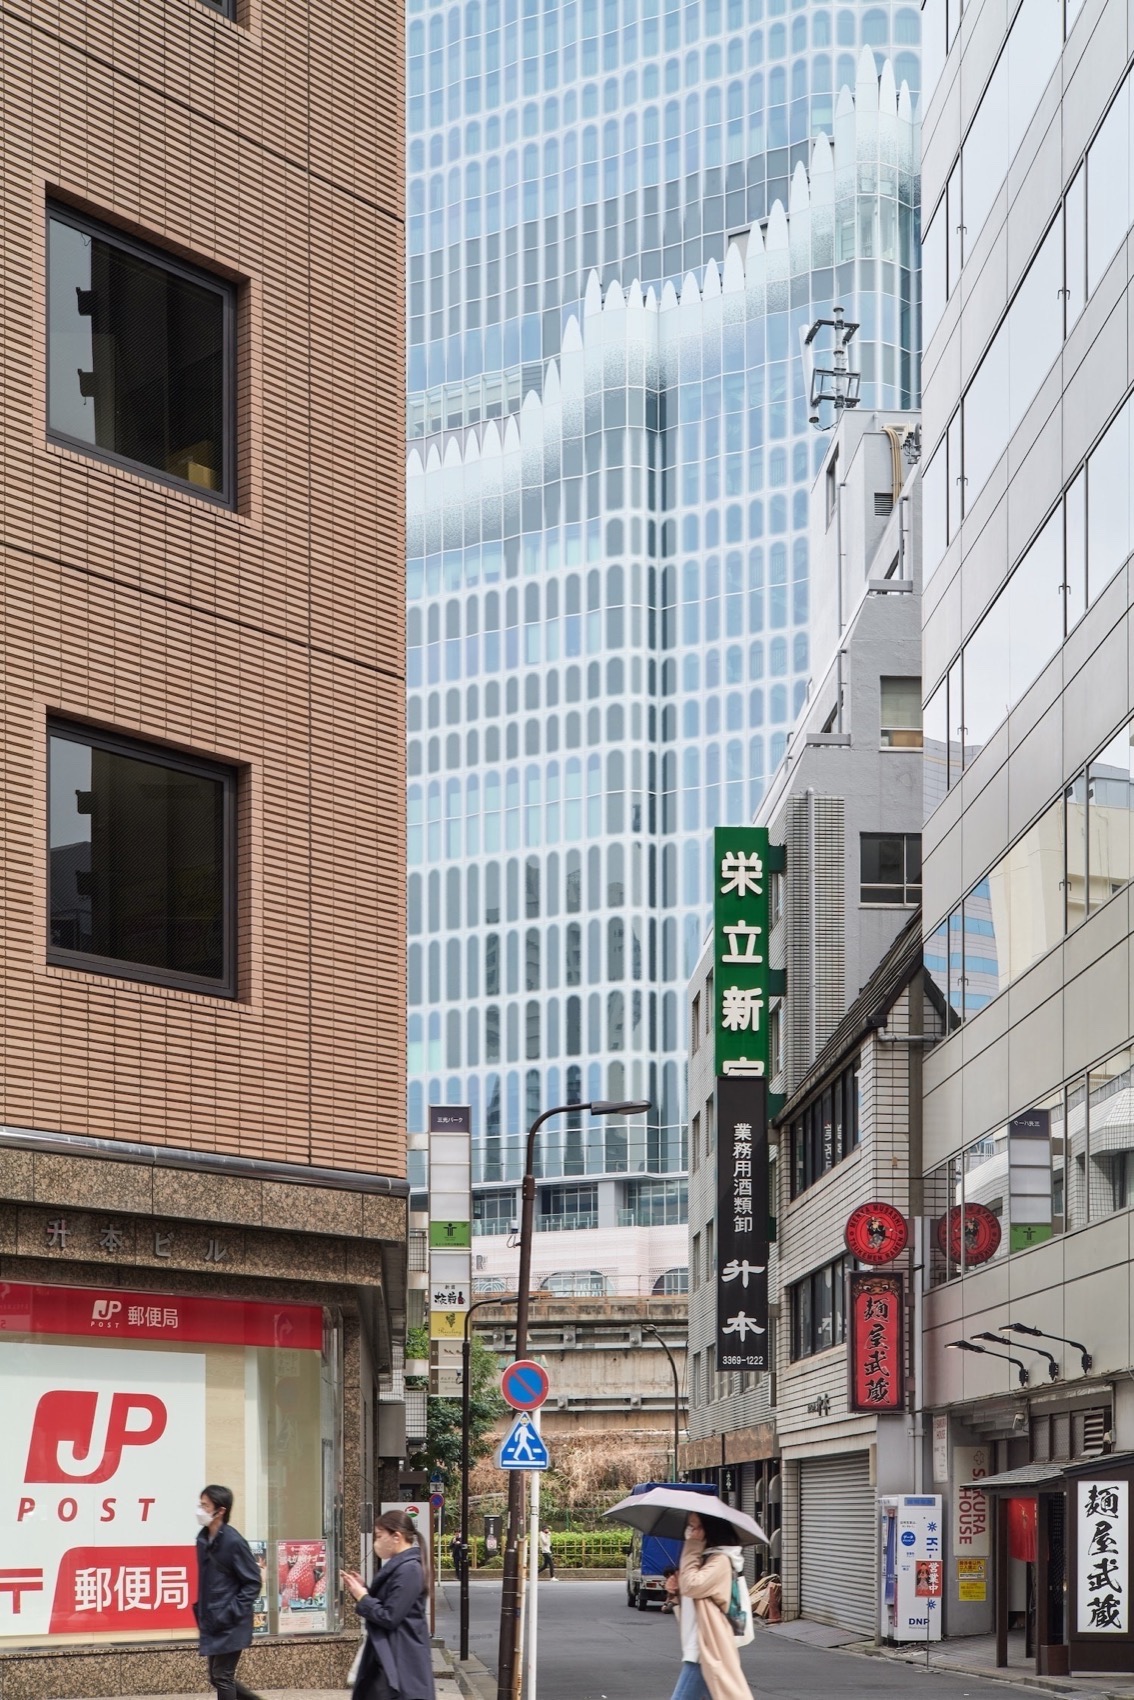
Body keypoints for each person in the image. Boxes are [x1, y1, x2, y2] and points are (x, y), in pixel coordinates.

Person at [341, 1509, 436, 1700]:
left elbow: (390, 1616)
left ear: (396, 1536)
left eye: (379, 1536)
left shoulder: (409, 1570)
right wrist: (363, 1590)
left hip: (401, 1661)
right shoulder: (402, 1566)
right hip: (391, 1658)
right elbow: (390, 1604)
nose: (376, 1542)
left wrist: (363, 1597)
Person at [669, 1510, 753, 1700]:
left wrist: (691, 1547)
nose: (691, 1532)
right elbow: (694, 1608)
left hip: (706, 1649)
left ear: (710, 1530)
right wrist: (675, 1593)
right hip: (702, 1646)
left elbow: (692, 1586)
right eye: (690, 1526)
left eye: (696, 1526)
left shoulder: (721, 1560)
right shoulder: (705, 1560)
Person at [193, 1485, 265, 1700]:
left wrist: (232, 1611)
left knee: (222, 1675)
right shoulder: (203, 1538)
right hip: (213, 1619)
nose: (200, 1509)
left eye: (205, 1505)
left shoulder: (233, 1542)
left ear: (220, 1510)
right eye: (200, 1504)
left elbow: (252, 1582)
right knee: (217, 1677)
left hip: (231, 1620)